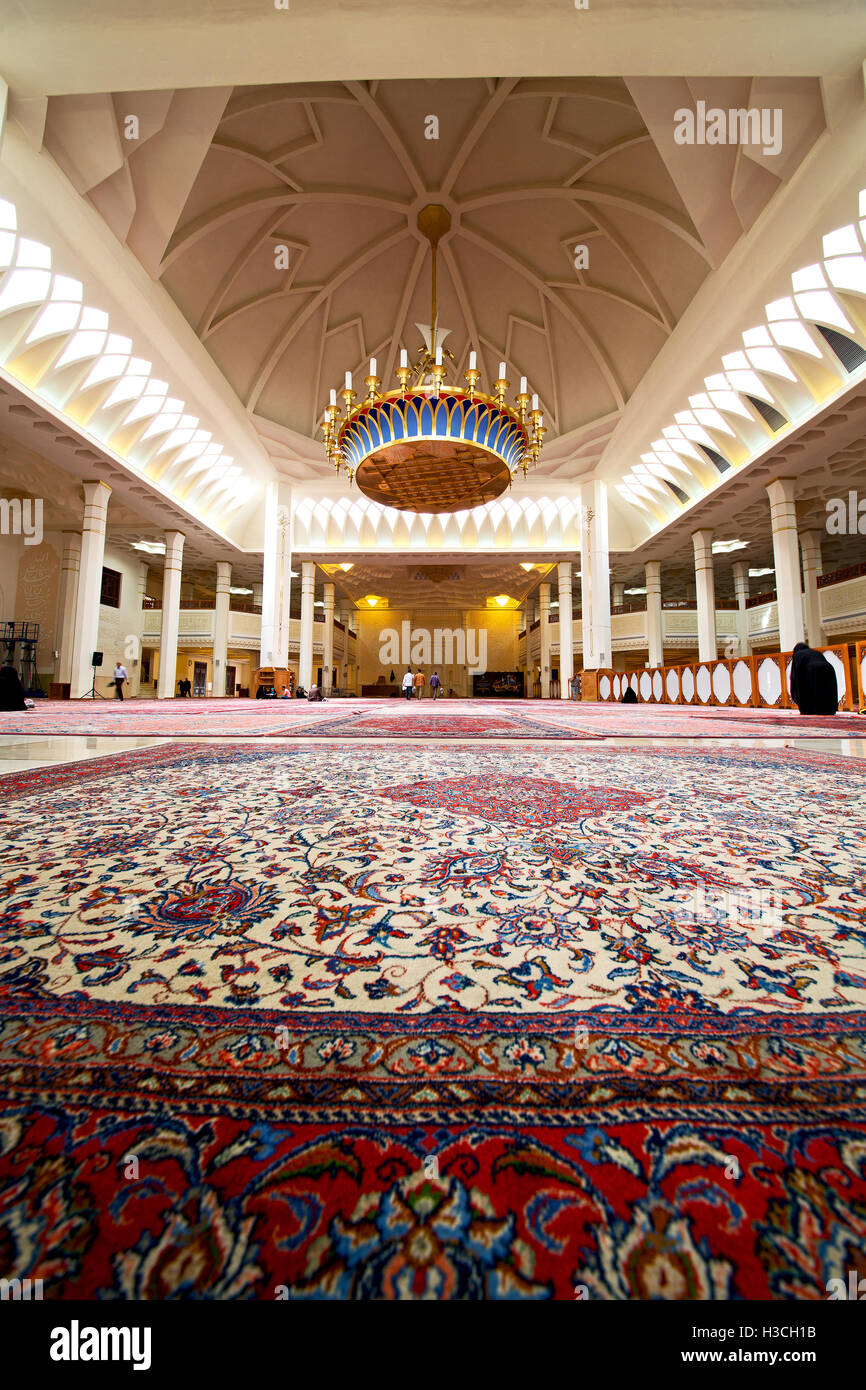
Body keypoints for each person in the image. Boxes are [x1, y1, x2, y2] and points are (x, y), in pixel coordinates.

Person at [790, 642, 838, 716]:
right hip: (828, 669)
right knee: (825, 689)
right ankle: (828, 709)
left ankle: (813, 710)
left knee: (813, 689)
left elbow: (797, 674)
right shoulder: (815, 652)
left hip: (812, 669)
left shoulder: (797, 654)